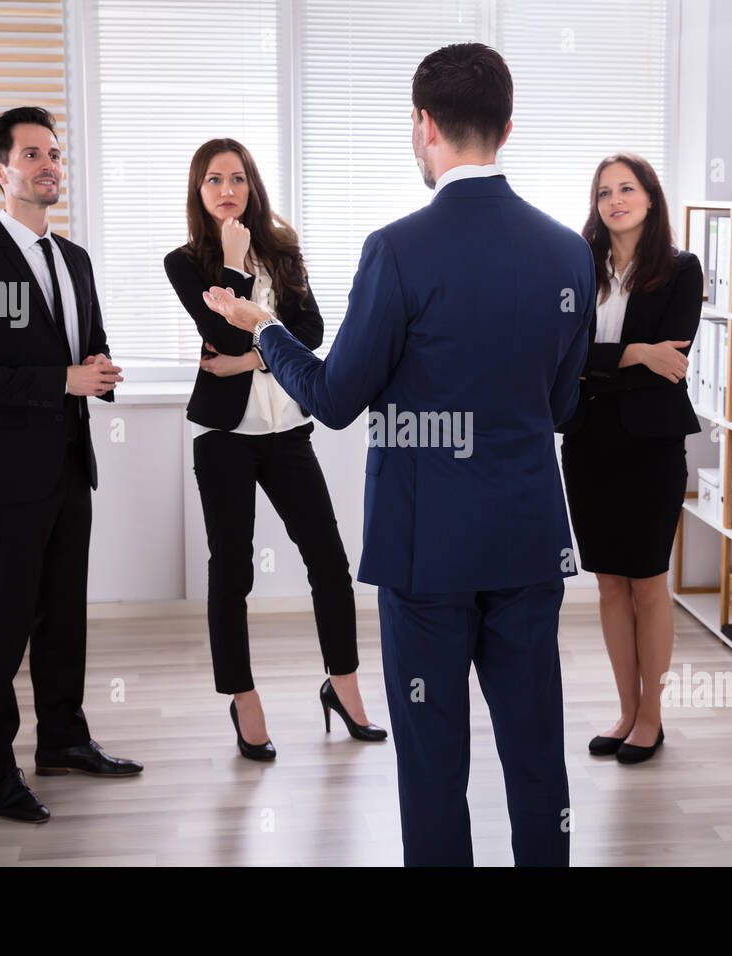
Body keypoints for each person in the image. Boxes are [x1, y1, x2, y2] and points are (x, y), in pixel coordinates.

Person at [203, 44, 594, 866]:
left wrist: (262, 330)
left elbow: (336, 399)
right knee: (536, 755)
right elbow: (560, 406)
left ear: (424, 127)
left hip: (426, 555)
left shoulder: (397, 250)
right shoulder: (568, 252)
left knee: (431, 763)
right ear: (508, 128)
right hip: (526, 538)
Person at [0, 106, 143, 824]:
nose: (49, 164)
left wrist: (99, 371)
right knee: (5, 622)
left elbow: (91, 346)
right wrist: (62, 379)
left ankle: (63, 739)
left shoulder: (75, 260)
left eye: (55, 153)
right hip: (7, 477)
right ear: (0, 171)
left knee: (65, 617)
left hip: (68, 466)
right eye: (32, 155)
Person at [163, 139, 385, 761]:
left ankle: (343, 687)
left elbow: (312, 334)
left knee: (329, 560)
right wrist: (233, 266)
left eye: (237, 178)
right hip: (224, 438)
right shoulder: (184, 262)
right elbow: (215, 331)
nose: (226, 189)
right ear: (198, 191)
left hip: (287, 428)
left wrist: (250, 358)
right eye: (213, 179)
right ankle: (244, 699)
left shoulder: (284, 251)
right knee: (231, 571)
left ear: (253, 186)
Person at [558, 153, 703, 765]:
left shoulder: (680, 269)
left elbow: (670, 363)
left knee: (648, 583)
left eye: (627, 188)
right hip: (587, 443)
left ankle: (653, 716)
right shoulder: (577, 267)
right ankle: (624, 710)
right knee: (609, 584)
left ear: (650, 198)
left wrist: (612, 360)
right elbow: (563, 352)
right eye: (603, 192)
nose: (614, 200)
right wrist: (635, 353)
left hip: (650, 445)